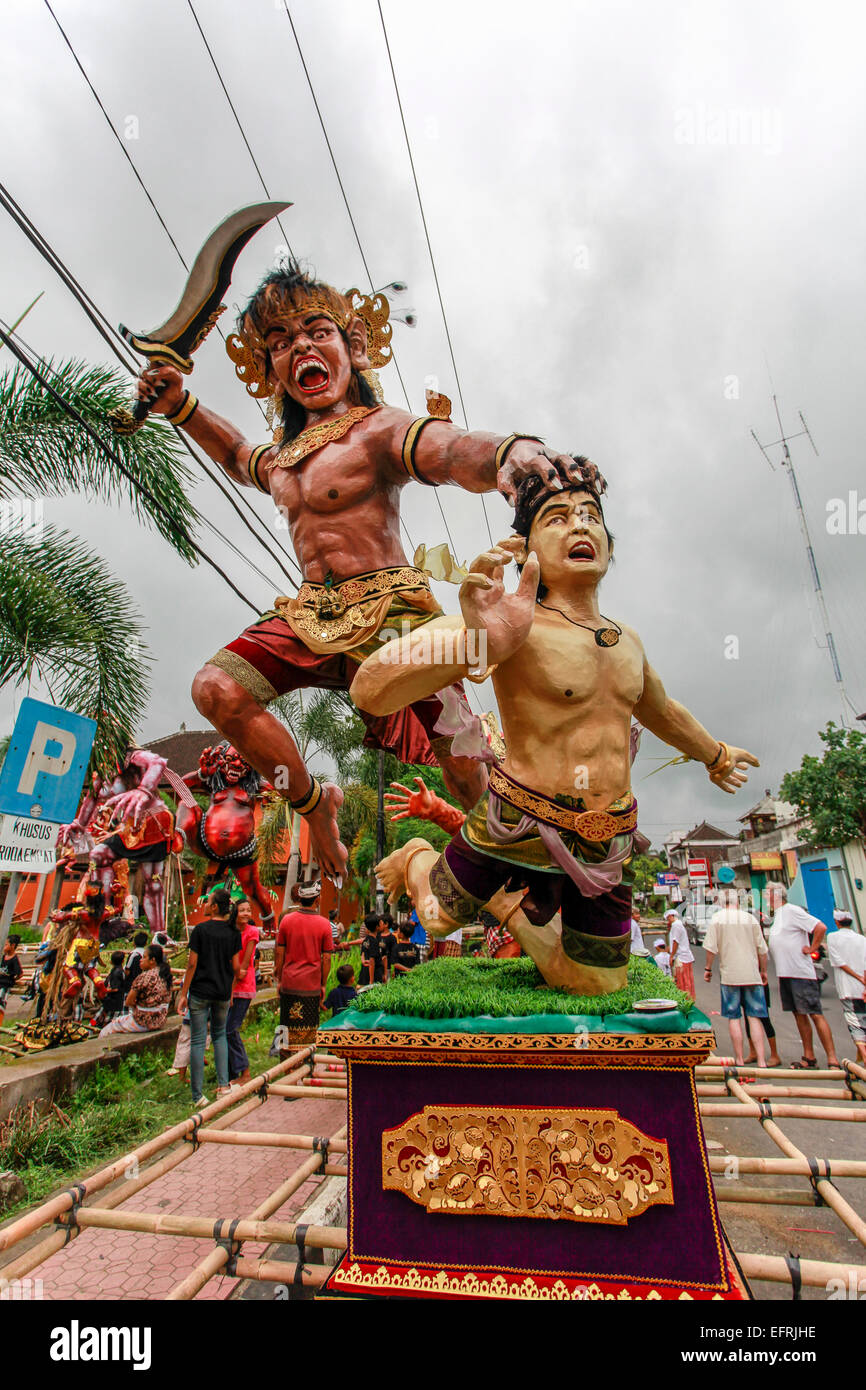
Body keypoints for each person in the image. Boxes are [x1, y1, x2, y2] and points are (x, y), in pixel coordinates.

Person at [135, 260, 606, 883]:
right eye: (280, 342)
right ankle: (314, 805)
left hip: (395, 617)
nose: (300, 346)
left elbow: (449, 448)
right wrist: (180, 405)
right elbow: (234, 455)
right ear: (272, 369)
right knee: (217, 691)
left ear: (351, 347)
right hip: (310, 615)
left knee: (466, 771)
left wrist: (510, 454)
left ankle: (540, 869)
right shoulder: (281, 461)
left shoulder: (377, 430)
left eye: (316, 331)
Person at [361, 470, 758, 994]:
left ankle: (509, 907)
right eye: (559, 518)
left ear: (610, 546)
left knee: (598, 984)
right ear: (524, 548)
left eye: (592, 517)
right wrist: (478, 644)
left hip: (605, 834)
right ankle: (415, 855)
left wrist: (714, 753)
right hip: (519, 816)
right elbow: (373, 687)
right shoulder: (509, 621)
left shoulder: (627, 642)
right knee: (435, 916)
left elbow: (661, 710)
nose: (581, 527)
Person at [176, 888, 242, 1105]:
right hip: (222, 992)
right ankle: (223, 1086)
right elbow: (235, 967)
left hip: (200, 992)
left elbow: (192, 964)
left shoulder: (200, 931)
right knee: (220, 1035)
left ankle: (197, 1096)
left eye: (208, 901)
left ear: (214, 907)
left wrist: (183, 993)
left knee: (197, 1040)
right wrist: (230, 991)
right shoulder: (233, 933)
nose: (204, 903)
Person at [766, 883, 840, 1069]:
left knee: (815, 1014)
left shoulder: (792, 910)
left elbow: (820, 927)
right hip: (786, 973)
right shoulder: (778, 916)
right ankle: (809, 1056)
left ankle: (832, 1059)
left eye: (768, 894)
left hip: (801, 973)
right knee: (799, 1015)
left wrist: (813, 948)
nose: (766, 897)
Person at [703, 890, 770, 1067]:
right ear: (738, 902)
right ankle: (762, 1061)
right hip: (752, 975)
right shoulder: (750, 919)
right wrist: (763, 971)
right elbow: (762, 950)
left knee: (734, 1018)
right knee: (754, 1017)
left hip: (730, 976)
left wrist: (708, 968)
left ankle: (739, 1059)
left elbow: (711, 949)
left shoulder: (717, 919)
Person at [273, 880, 332, 1055]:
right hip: (311, 984)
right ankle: (305, 1063)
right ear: (318, 899)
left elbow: (279, 954)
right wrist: (323, 984)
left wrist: (279, 978)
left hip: (289, 982)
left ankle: (284, 1063)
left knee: (286, 1024)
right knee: (308, 1028)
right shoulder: (324, 924)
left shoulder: (286, 921)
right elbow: (326, 958)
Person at [100, 943, 172, 1035]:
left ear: (152, 960)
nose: (141, 960)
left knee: (106, 1031)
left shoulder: (144, 977)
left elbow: (128, 1002)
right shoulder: (166, 975)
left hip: (143, 1022)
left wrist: (137, 1007)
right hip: (160, 1020)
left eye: (144, 957)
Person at [225, 898, 260, 1085]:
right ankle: (231, 1073)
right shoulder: (229, 932)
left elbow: (244, 966)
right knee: (224, 1030)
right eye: (242, 910)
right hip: (227, 985)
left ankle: (245, 1072)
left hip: (243, 986)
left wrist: (230, 991)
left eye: (248, 910)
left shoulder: (252, 932)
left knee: (230, 1029)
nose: (246, 913)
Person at [826, 909, 866, 1064]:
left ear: (837, 922)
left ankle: (863, 1056)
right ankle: (859, 1063)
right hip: (862, 987)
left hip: (847, 987)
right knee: (863, 1020)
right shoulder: (861, 938)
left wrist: (857, 977)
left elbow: (838, 962)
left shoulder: (833, 937)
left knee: (854, 1023)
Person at [665, 907, 696, 999]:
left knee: (683, 980)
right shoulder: (678, 924)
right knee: (686, 980)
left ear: (671, 916)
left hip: (681, 957)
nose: (668, 921)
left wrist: (671, 956)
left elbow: (675, 942)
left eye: (668, 918)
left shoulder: (676, 925)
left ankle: (685, 999)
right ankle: (689, 999)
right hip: (684, 956)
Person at [0, 934, 23, 1025]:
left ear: (12, 946)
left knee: (1, 1003)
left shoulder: (14, 959)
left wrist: (12, 979)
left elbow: (20, 974)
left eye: (6, 945)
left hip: (4, 985)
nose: (4, 947)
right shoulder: (3, 957)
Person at [100, 951, 127, 1021]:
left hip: (114, 1002)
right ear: (123, 961)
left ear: (110, 961)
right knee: (99, 1017)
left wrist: (103, 990)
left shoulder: (116, 972)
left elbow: (115, 989)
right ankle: (91, 1027)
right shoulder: (120, 971)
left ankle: (91, 1028)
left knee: (106, 1020)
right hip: (114, 1001)